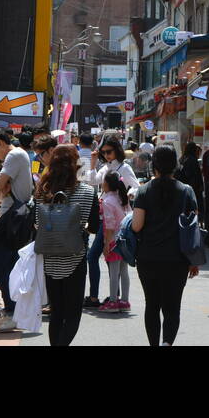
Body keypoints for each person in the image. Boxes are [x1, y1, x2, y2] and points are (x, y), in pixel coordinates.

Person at [131, 144, 199, 346]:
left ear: (154, 165)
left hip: (148, 258)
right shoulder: (187, 192)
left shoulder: (143, 191)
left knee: (151, 305)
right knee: (172, 307)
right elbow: (193, 228)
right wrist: (193, 260)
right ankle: (167, 343)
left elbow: (136, 226)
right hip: (177, 259)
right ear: (175, 165)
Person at [34, 145, 100, 346]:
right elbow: (95, 227)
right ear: (76, 164)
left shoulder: (42, 192)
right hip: (75, 257)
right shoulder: (88, 192)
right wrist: (78, 228)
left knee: (56, 313)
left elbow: (36, 224)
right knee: (72, 314)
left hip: (50, 259)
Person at [84, 133, 140, 308]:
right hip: (106, 217)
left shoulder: (124, 168)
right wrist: (93, 162)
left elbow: (137, 187)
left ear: (116, 150)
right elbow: (91, 180)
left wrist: (129, 194)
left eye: (109, 151)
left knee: (100, 258)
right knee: (111, 262)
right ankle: (113, 297)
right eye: (104, 152)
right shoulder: (106, 166)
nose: (107, 155)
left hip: (115, 221)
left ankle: (111, 299)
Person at [0, 130, 31, 331]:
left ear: (1, 143)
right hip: (11, 218)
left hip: (13, 220)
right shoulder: (19, 155)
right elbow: (0, 189)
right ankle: (13, 310)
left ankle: (13, 311)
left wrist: (2, 185)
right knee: (9, 266)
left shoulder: (14, 155)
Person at [99, 171, 132, 312]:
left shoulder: (107, 201)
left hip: (113, 240)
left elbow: (110, 225)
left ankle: (113, 301)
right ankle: (125, 301)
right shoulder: (121, 197)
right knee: (124, 271)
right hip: (125, 238)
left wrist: (106, 244)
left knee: (113, 272)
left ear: (106, 184)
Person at [176, 142, 204, 216]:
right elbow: (193, 176)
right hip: (192, 189)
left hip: (182, 187)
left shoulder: (182, 159)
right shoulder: (192, 160)